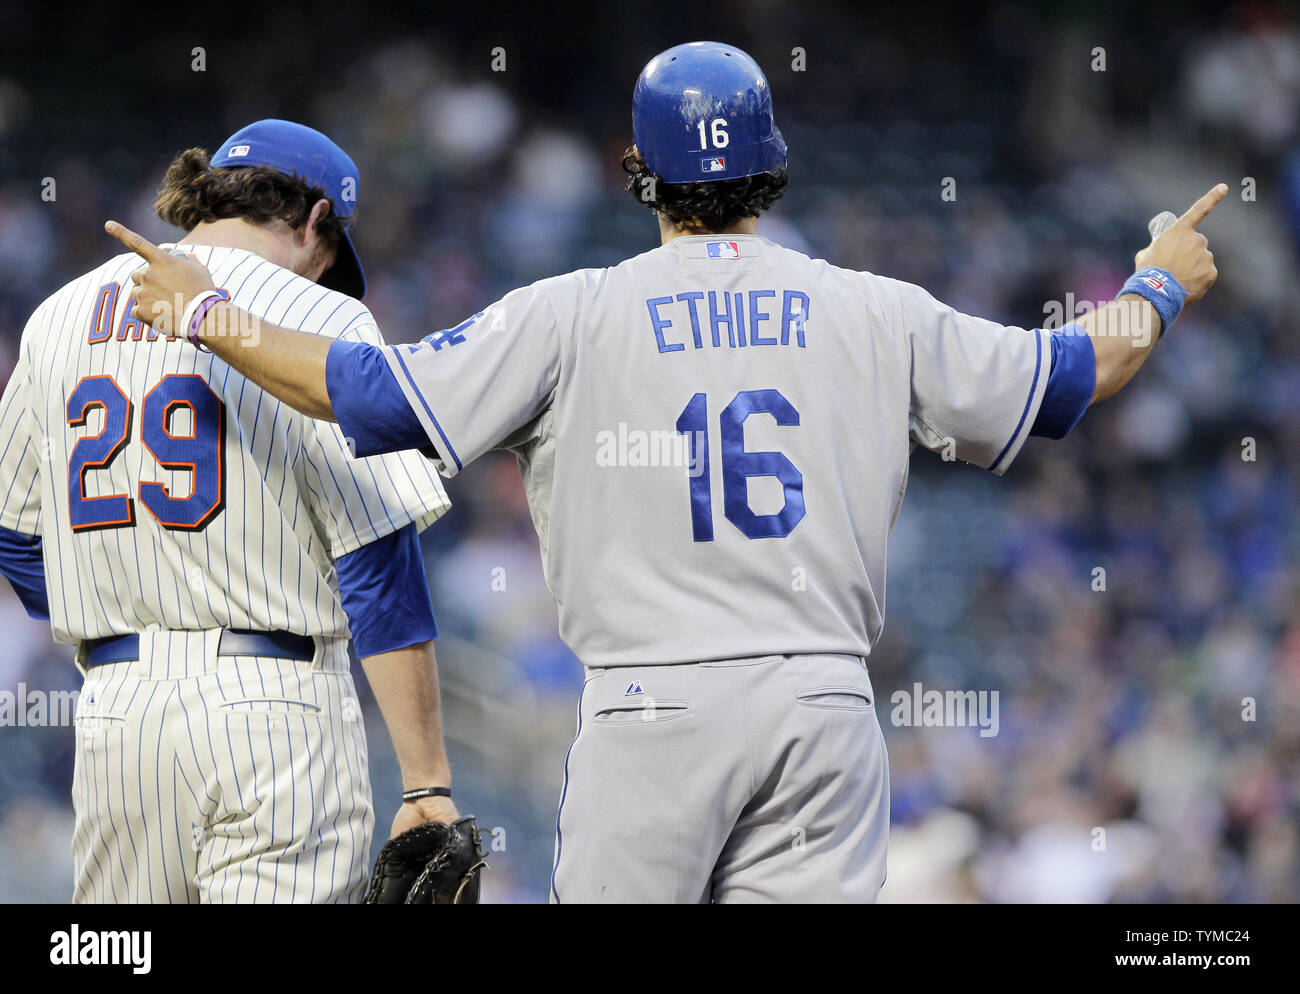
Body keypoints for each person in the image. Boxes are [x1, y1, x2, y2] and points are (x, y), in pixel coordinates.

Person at [107, 43, 1223, 903]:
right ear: (773, 167)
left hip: (652, 706)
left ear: (636, 171)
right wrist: (1159, 283)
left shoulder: (572, 312)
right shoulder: (876, 309)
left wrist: (209, 314)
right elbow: (1077, 373)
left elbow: (368, 393)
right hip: (822, 705)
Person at [0, 119, 461, 903]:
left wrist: (116, 609)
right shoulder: (318, 320)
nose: (324, 275)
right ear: (316, 221)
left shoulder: (57, 314)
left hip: (117, 714)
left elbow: (15, 536)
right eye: (329, 256)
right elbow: (377, 566)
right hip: (274, 711)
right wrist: (425, 782)